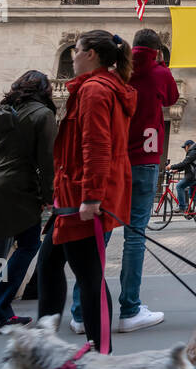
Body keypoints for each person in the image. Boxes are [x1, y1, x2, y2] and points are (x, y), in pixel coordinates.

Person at [71, 28, 177, 334]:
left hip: (115, 162)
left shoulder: (115, 74)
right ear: (157, 51)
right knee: (135, 236)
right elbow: (171, 97)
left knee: (98, 235)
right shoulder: (160, 72)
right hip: (144, 162)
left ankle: (81, 312)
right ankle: (130, 309)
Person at [37, 31, 136, 351]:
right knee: (50, 265)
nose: (71, 56)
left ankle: (101, 350)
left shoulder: (94, 91)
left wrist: (92, 197)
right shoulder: (98, 88)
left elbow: (97, 145)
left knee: (89, 276)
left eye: (75, 50)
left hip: (82, 195)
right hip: (70, 194)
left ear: (91, 54)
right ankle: (44, 341)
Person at [0, 71, 57, 334]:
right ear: (44, 89)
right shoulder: (43, 115)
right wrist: (48, 197)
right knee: (28, 244)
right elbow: (46, 162)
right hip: (16, 188)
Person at [170, 139, 196, 214]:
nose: (184, 149)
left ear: (188, 146)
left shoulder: (193, 152)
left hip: (194, 176)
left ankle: (182, 207)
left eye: (184, 147)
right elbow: (189, 164)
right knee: (191, 193)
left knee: (179, 186)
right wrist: (177, 170)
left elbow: (185, 163)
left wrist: (171, 167)